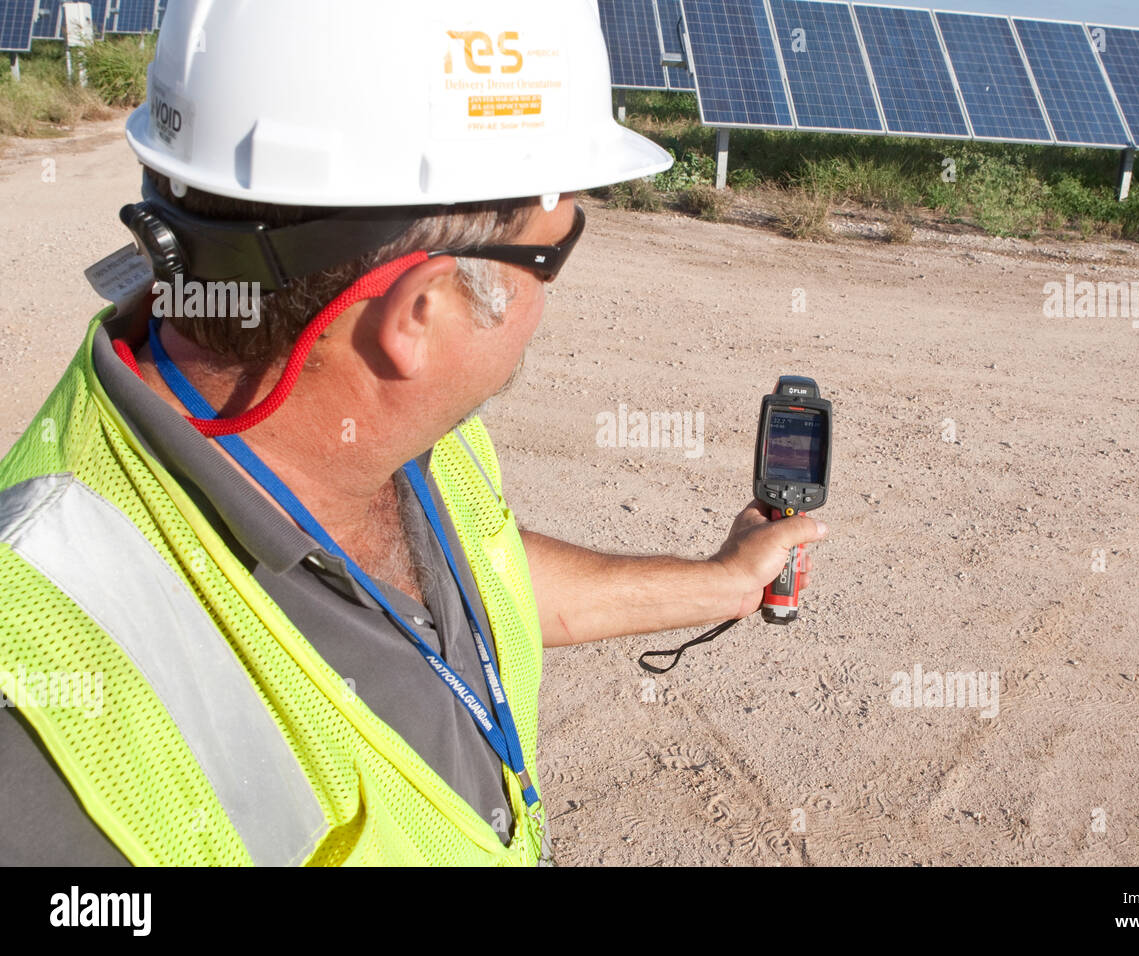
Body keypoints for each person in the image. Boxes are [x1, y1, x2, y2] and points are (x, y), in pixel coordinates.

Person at [0, 0, 826, 866]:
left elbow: (479, 584)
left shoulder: (400, 426)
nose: (553, 295)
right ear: (418, 312)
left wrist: (722, 585)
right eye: (557, 248)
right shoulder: (45, 729)